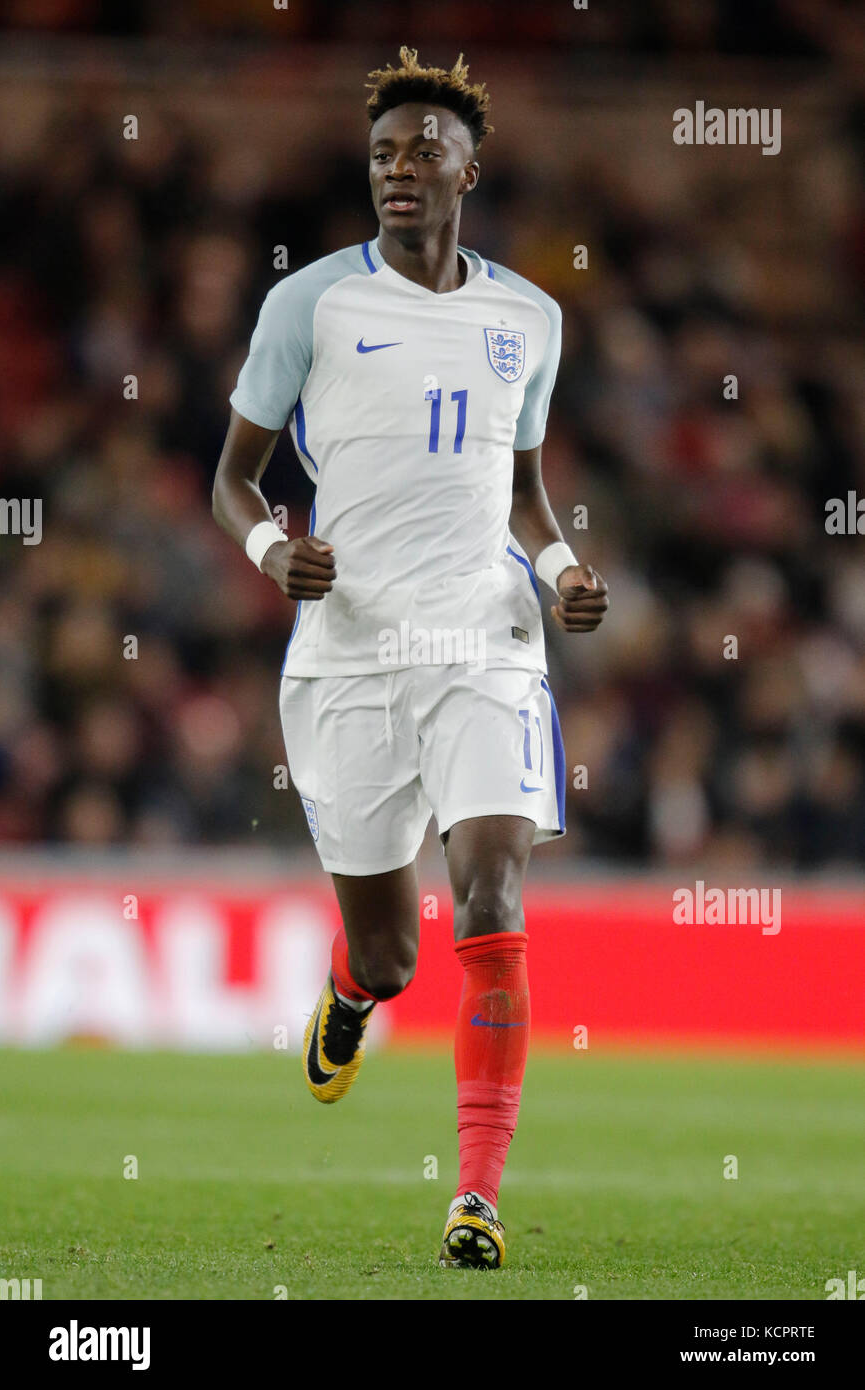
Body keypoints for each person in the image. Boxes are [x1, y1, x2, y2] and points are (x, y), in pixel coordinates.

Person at [212, 46, 609, 1270]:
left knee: (490, 896)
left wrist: (558, 573)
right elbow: (229, 480)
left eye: (422, 148)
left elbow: (525, 493)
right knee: (389, 953)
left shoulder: (527, 319)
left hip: (484, 641)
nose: (399, 167)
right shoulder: (310, 306)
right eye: (383, 152)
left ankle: (474, 1195)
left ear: (467, 170)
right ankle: (348, 990)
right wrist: (274, 549)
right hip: (348, 654)